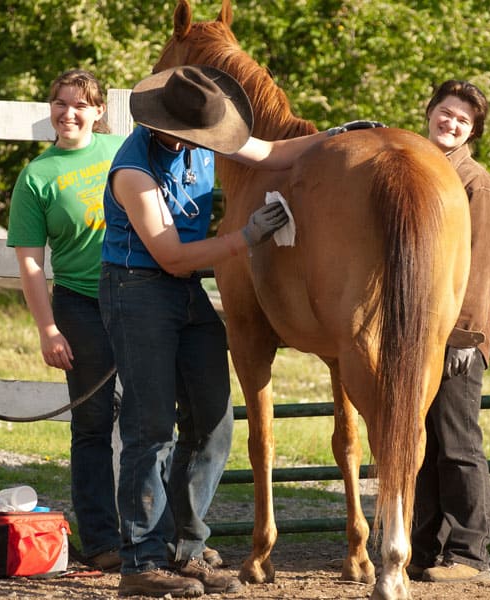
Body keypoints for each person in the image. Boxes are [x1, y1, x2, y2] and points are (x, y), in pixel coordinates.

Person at [100, 65, 353, 598]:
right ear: (164, 125)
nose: (204, 146)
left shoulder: (204, 138)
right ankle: (141, 562)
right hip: (138, 289)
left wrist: (336, 138)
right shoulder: (133, 170)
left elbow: (273, 153)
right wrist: (248, 236)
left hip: (184, 289)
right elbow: (170, 256)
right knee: (150, 427)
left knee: (213, 420)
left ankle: (185, 550)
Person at [6, 69, 127, 572]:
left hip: (140, 296)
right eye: (59, 103)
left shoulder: (124, 150)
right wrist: (48, 328)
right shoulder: (37, 176)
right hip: (80, 304)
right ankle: (102, 541)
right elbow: (32, 263)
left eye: (80, 104)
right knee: (94, 423)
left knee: (152, 419)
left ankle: (158, 535)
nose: (68, 112)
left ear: (99, 111)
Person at [409, 79, 490, 583]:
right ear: (430, 113)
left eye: (463, 120)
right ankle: (426, 549)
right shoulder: (418, 171)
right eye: (446, 113)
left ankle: (470, 556)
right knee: (424, 445)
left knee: (458, 443)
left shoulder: (476, 185)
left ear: (473, 131)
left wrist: (464, 336)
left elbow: (480, 268)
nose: (451, 123)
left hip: (455, 338)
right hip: (419, 334)